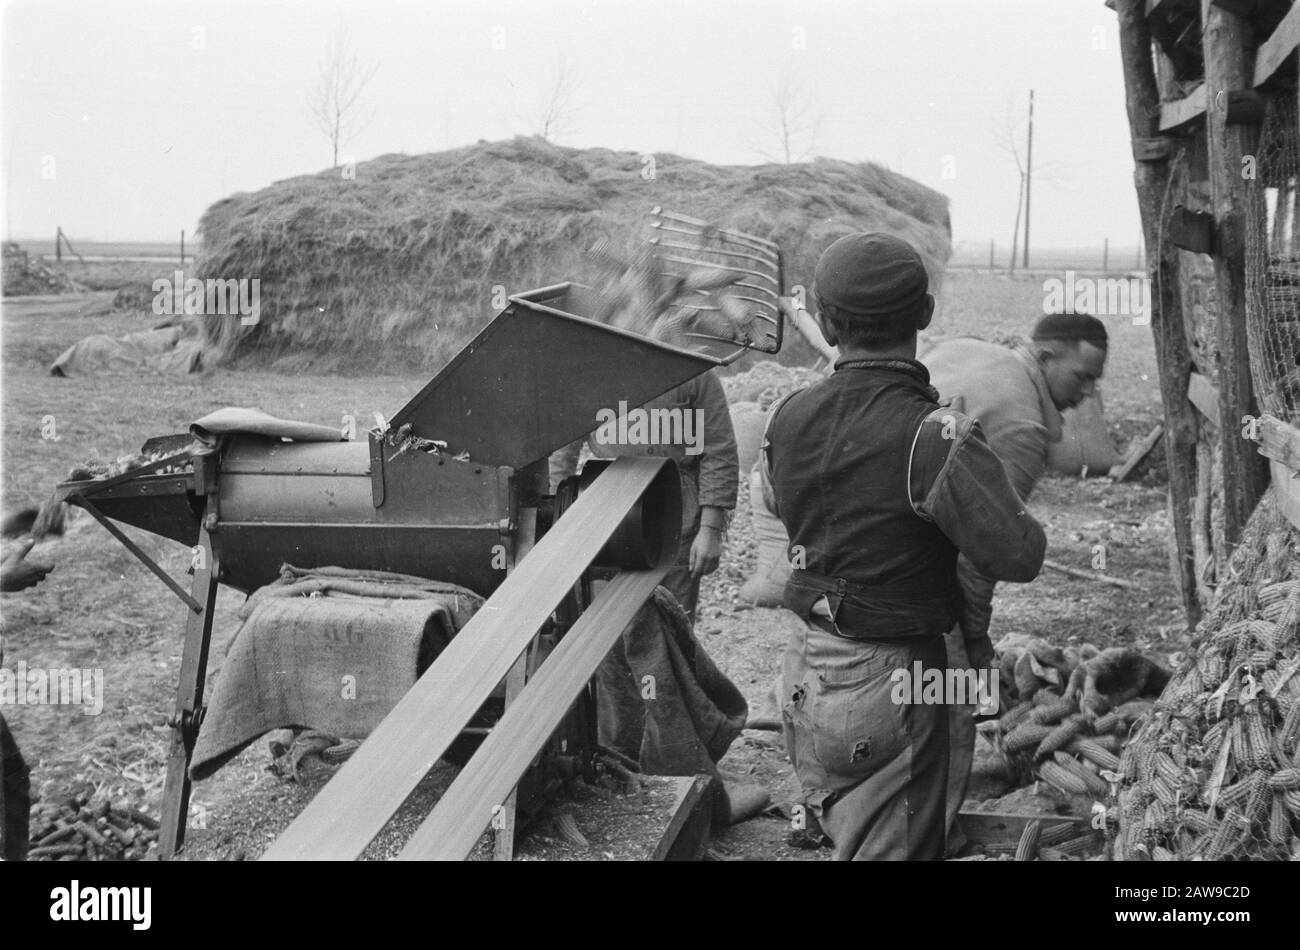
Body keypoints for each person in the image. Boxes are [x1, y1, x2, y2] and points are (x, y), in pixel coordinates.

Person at [764, 233, 1046, 860]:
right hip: (895, 687)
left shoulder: (787, 416)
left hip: (806, 673)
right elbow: (1020, 555)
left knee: (850, 834)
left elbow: (779, 505)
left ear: (828, 323)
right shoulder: (934, 436)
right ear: (925, 314)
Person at [921, 313, 1108, 853]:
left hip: (849, 535)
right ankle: (933, 832)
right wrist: (974, 642)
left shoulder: (975, 349)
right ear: (1046, 358)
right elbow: (983, 554)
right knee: (951, 698)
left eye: (1096, 380)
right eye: (1081, 377)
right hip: (908, 559)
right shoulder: (1021, 426)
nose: (1087, 392)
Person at [549, 370, 738, 625]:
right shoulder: (591, 370)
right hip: (607, 520)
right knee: (606, 630)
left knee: (674, 624)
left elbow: (718, 450)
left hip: (677, 519)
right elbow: (561, 452)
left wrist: (710, 529)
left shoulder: (695, 372)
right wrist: (554, 523)